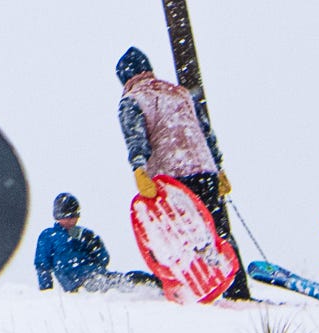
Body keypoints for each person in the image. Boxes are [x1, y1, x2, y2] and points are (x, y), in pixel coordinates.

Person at [115, 47, 249, 299]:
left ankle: (191, 291)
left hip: (172, 178)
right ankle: (237, 290)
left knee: (178, 236)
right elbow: (206, 132)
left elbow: (135, 137)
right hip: (204, 170)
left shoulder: (133, 99)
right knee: (217, 232)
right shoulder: (180, 93)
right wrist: (218, 168)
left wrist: (139, 168)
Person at [35, 193, 112, 292]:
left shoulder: (84, 234)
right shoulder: (49, 236)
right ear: (57, 217)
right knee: (100, 285)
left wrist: (95, 244)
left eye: (73, 217)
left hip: (96, 273)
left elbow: (104, 260)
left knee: (130, 279)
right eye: (65, 217)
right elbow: (42, 265)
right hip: (75, 280)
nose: (70, 221)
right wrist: (46, 289)